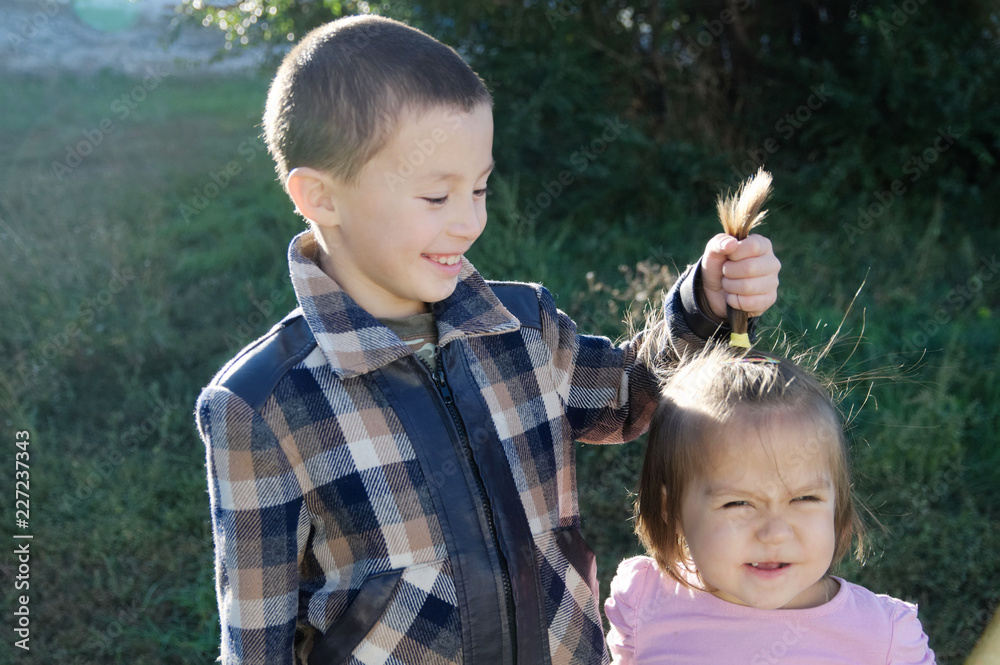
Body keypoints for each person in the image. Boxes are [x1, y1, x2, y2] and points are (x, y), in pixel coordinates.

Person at [195, 14, 781, 665]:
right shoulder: (263, 405)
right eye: (436, 195)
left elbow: (629, 395)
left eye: (479, 188)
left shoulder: (520, 326)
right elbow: (255, 646)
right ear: (320, 196)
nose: (470, 221)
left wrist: (705, 301)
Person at [604, 345, 936, 664]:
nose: (776, 533)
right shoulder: (646, 605)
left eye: (804, 498)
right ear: (671, 511)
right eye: (738, 504)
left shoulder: (883, 637)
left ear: (837, 501)